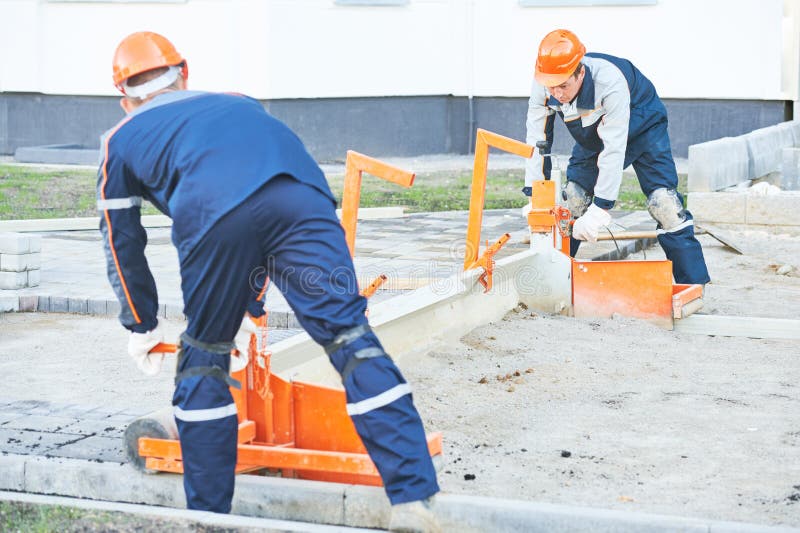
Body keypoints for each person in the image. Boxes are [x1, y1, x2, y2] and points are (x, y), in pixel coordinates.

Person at [99, 31, 440, 532]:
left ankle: (210, 518)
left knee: (203, 359)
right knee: (351, 340)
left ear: (124, 99)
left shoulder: (119, 140)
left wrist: (141, 325)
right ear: (185, 73)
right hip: (303, 193)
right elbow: (261, 202)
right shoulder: (239, 101)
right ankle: (416, 501)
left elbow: (121, 241)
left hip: (213, 209)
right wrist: (251, 305)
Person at [523, 29, 710, 285]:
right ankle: (554, 282)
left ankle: (693, 285)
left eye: (564, 86)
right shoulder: (545, 83)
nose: (557, 93)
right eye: (551, 87)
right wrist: (535, 196)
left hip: (643, 124)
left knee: (664, 204)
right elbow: (537, 140)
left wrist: (600, 209)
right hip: (593, 128)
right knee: (574, 200)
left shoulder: (610, 81)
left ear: (581, 73)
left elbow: (612, 150)